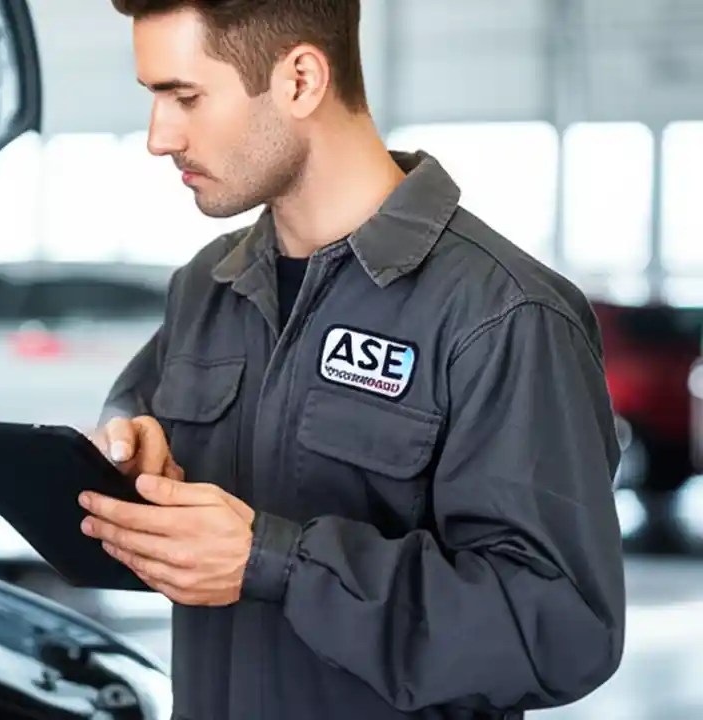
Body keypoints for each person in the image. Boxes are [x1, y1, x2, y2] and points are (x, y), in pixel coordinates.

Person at [79, 1, 627, 719]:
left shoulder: (502, 314)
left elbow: (561, 631)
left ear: (301, 79)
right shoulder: (206, 287)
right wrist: (127, 445)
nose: (159, 137)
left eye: (185, 97)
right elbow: (133, 412)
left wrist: (273, 561)